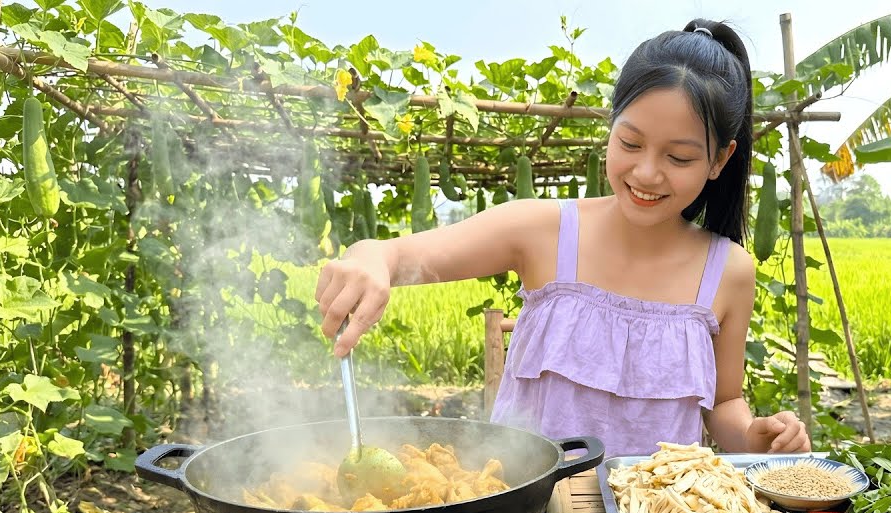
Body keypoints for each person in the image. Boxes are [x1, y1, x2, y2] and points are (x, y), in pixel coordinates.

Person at [316, 19, 810, 458]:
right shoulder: (541, 230)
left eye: (678, 158)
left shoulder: (729, 270)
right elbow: (397, 254)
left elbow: (725, 403)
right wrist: (369, 258)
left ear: (720, 160)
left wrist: (753, 436)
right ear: (610, 126)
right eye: (630, 142)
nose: (646, 172)